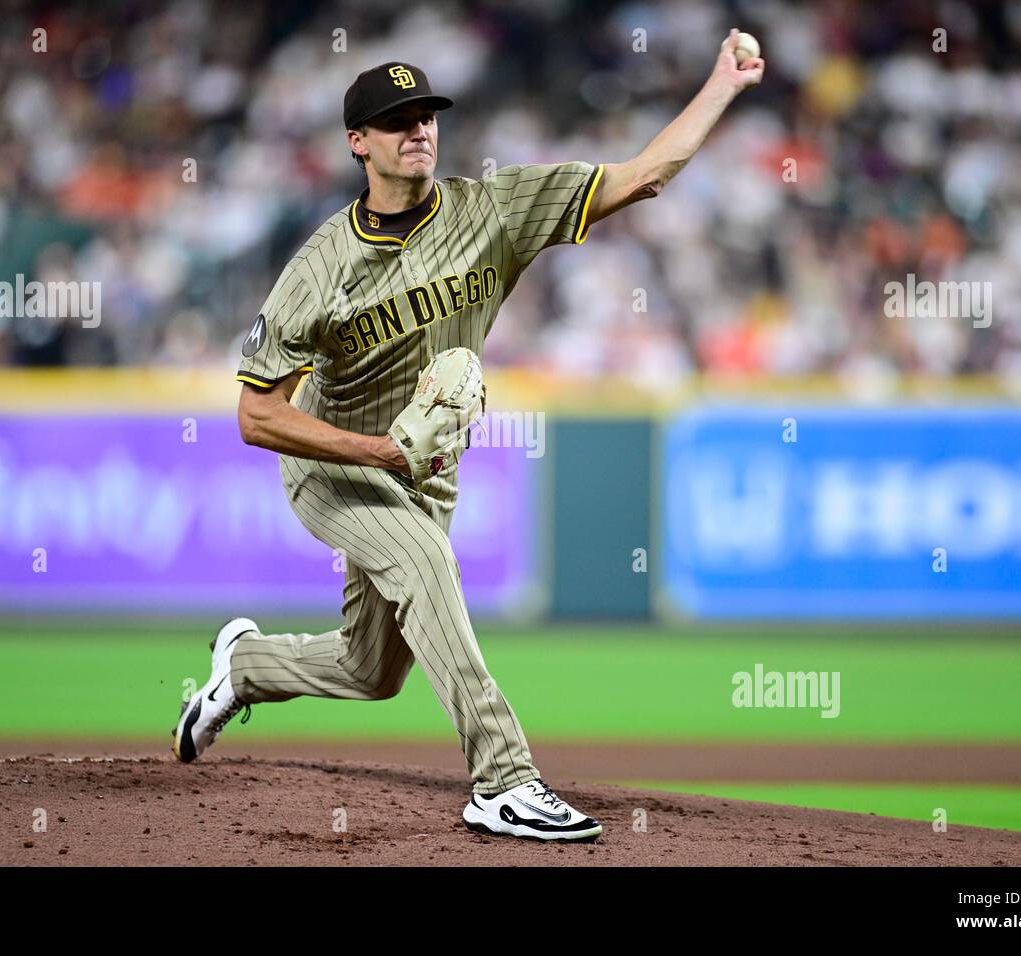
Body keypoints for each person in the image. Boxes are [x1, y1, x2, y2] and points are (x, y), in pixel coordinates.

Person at [173, 33, 765, 842]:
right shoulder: (321, 266)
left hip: (423, 470)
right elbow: (256, 416)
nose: (419, 130)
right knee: (425, 560)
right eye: (396, 121)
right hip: (336, 463)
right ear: (359, 143)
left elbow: (642, 176)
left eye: (426, 116)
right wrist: (378, 454)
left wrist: (722, 86)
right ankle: (504, 779)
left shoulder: (493, 210)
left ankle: (242, 668)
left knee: (370, 670)